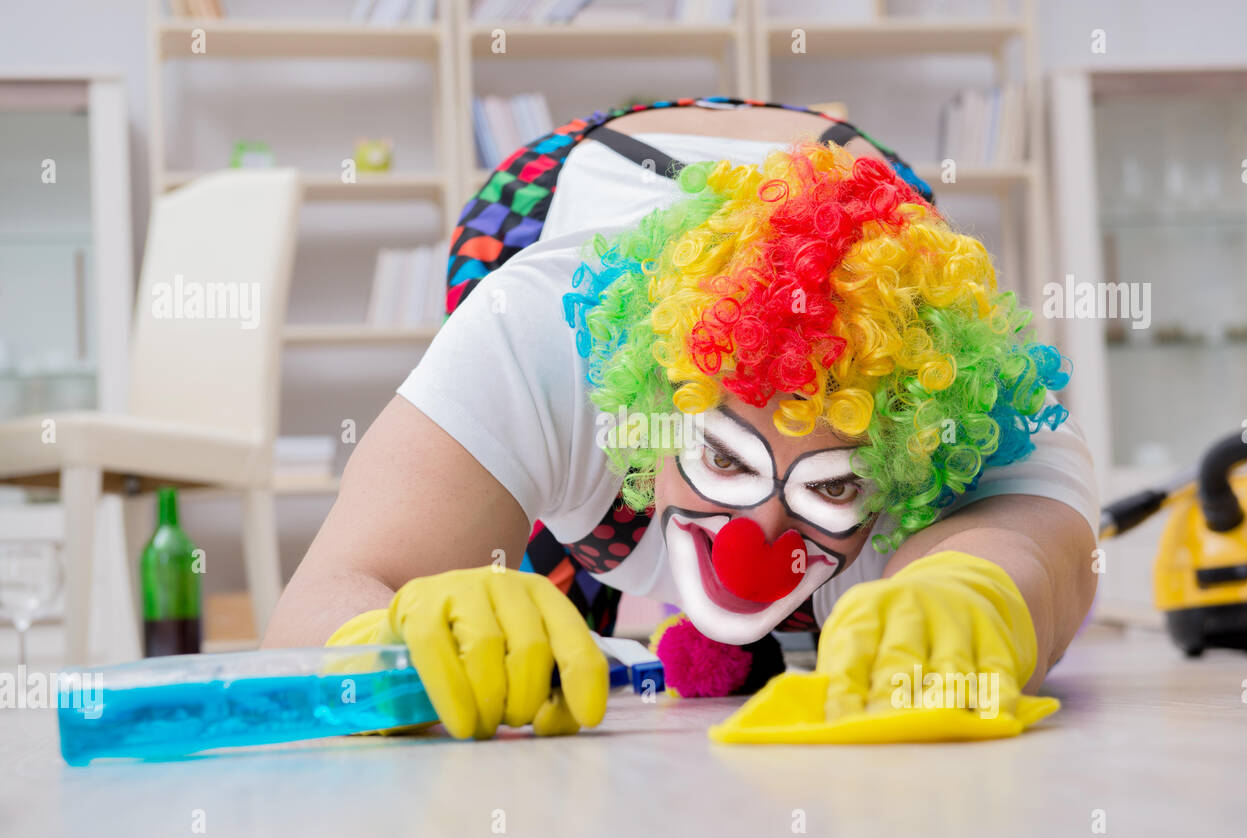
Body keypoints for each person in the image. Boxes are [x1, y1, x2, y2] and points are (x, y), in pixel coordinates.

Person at [263, 99, 1099, 742]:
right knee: (522, 616)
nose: (754, 541)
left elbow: (1041, 559)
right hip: (591, 169)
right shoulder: (538, 337)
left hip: (860, 179)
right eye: (724, 459)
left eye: (836, 483)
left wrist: (974, 593)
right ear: (641, 410)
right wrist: (391, 644)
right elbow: (314, 606)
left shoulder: (967, 399)